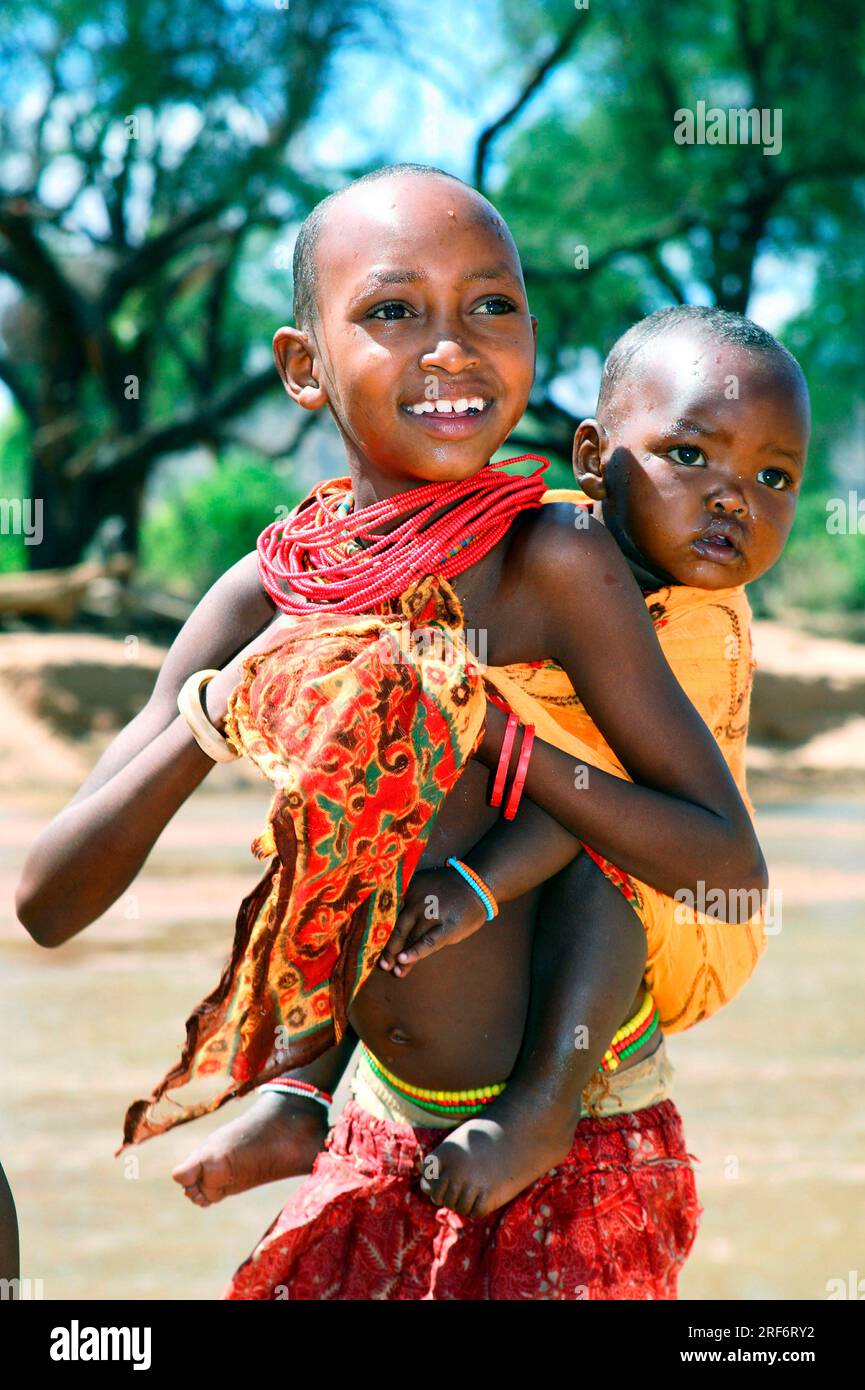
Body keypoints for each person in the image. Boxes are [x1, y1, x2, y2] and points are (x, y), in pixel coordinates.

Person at [16, 166, 767, 1300]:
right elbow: (48, 903)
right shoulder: (266, 595)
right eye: (391, 309)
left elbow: (721, 856)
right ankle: (295, 1091)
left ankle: (509, 1111)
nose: (452, 345)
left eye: (491, 305)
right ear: (301, 367)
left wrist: (522, 761)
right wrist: (217, 714)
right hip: (376, 1131)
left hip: (579, 1132)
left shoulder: (556, 564)